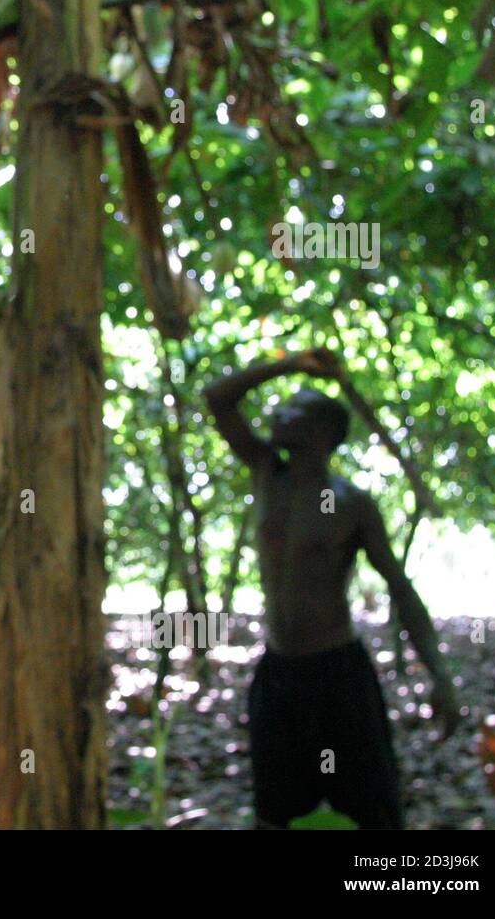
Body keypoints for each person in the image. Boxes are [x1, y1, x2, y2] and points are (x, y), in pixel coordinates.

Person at [202, 348, 460, 829]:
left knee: (373, 811)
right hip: (279, 674)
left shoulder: (353, 504)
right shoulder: (266, 474)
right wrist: (291, 362)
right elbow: (218, 398)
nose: (277, 412)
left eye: (293, 407)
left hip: (340, 678)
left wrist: (440, 676)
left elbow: (401, 591)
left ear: (322, 432)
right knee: (275, 814)